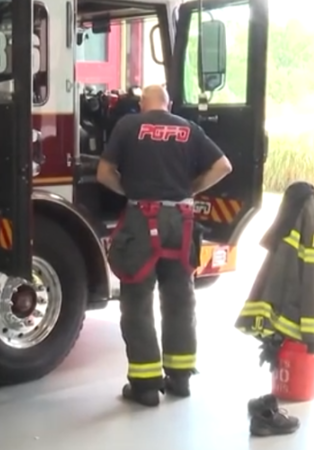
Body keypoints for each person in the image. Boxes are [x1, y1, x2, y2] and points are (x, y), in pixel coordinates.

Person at [98, 84, 232, 407]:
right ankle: (180, 377)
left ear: (143, 103)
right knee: (180, 299)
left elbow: (103, 173)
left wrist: (128, 190)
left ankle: (145, 386)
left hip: (142, 221)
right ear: (168, 103)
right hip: (181, 222)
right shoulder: (188, 128)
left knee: (137, 300)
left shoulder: (128, 125)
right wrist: (191, 189)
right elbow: (224, 166)